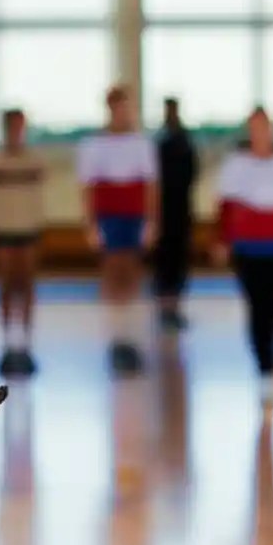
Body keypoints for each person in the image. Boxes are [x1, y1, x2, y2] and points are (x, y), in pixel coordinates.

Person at [210, 108, 273, 399]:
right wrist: (222, 241)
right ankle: (264, 367)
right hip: (248, 246)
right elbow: (225, 208)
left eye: (264, 127)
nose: (260, 134)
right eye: (254, 128)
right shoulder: (236, 166)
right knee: (257, 306)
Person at [78, 85, 158, 373]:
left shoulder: (141, 144)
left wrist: (151, 221)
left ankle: (132, 338)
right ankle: (116, 339)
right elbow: (87, 187)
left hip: (133, 215)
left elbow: (150, 185)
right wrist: (91, 225)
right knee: (112, 277)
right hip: (109, 216)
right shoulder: (95, 145)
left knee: (132, 276)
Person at [0, 108, 45, 375]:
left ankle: (26, 343)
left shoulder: (34, 159)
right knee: (5, 286)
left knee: (27, 285)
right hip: (2, 229)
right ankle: (7, 342)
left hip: (28, 228)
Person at [153, 97, 196, 332]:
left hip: (181, 208)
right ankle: (164, 309)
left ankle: (176, 308)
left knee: (180, 261)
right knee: (165, 262)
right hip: (162, 210)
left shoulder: (184, 140)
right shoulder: (160, 141)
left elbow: (192, 172)